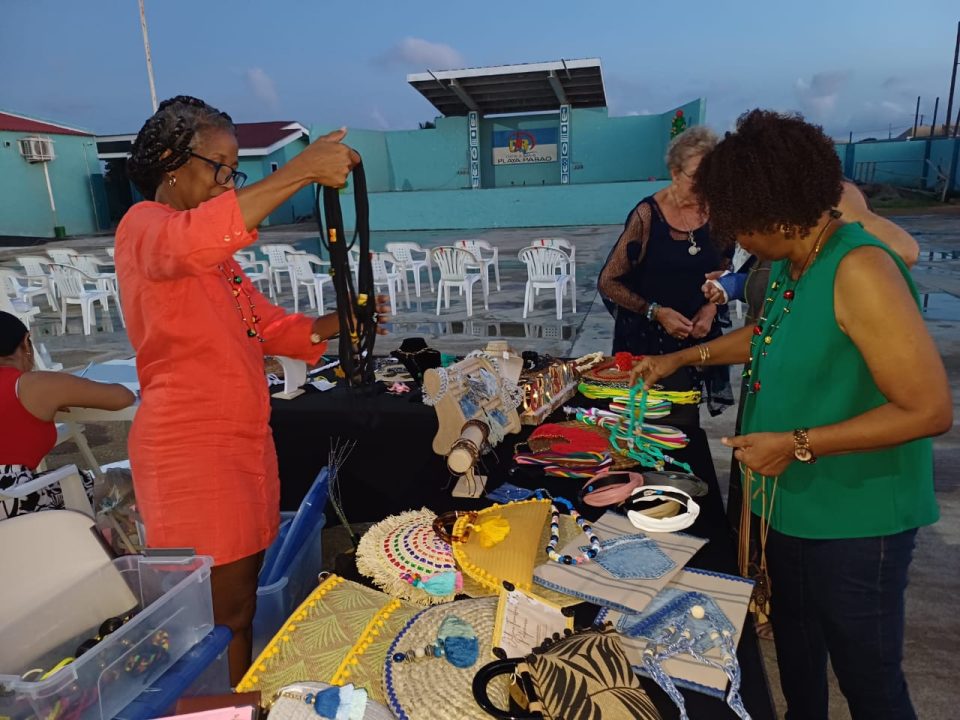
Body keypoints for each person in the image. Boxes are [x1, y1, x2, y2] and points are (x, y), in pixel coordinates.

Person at [633, 109, 950, 720]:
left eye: (742, 228)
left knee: (869, 680)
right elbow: (764, 335)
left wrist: (796, 442)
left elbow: (929, 409)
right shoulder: (792, 260)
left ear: (776, 213)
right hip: (791, 504)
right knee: (798, 652)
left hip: (858, 519)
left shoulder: (861, 269)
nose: (739, 242)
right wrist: (680, 359)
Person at [116, 95, 388, 684]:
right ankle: (231, 704)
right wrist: (300, 170)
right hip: (192, 452)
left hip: (240, 445)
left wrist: (339, 319)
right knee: (221, 621)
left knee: (238, 609)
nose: (226, 182)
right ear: (170, 161)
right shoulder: (147, 227)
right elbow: (194, 239)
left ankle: (240, 698)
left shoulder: (215, 262)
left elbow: (266, 326)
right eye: (219, 166)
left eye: (232, 171)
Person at [598, 126, 732, 414]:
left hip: (695, 342)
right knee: (643, 421)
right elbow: (608, 282)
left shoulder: (719, 213)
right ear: (675, 173)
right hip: (646, 342)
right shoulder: (647, 216)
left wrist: (710, 310)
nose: (705, 186)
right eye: (697, 177)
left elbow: (726, 269)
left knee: (684, 421)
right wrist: (656, 312)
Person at [0, 311, 135, 518]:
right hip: (15, 504)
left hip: (10, 508)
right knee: (122, 485)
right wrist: (60, 395)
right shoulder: (33, 385)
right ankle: (123, 547)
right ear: (27, 343)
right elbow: (122, 397)